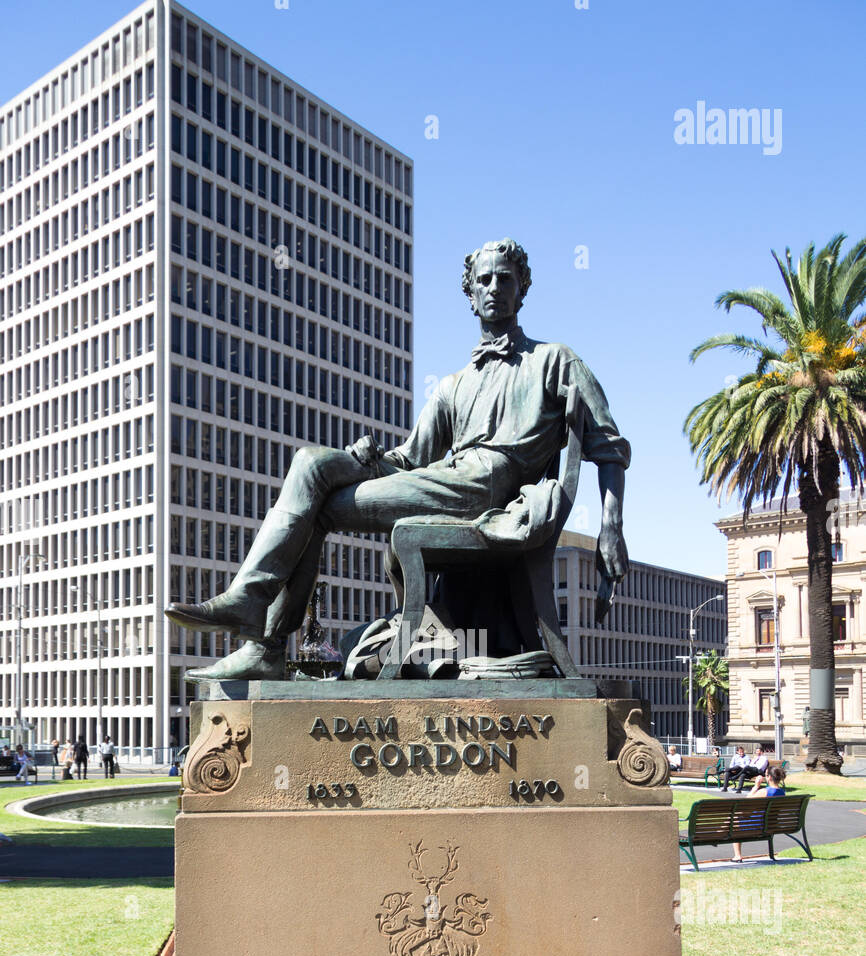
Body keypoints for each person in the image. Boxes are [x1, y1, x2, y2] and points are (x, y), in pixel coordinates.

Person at [164, 238, 631, 680]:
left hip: (492, 488)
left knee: (318, 508)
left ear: (522, 289)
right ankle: (255, 623)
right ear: (470, 295)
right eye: (484, 281)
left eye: (505, 279)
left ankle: (263, 642)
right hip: (447, 481)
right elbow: (410, 460)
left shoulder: (554, 359)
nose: (494, 289)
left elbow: (607, 445)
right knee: (311, 464)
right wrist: (370, 459)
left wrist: (611, 527)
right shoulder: (452, 385)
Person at [731, 767, 786, 862]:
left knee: (734, 819)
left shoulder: (764, 791)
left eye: (766, 775)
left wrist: (756, 786)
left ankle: (737, 855)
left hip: (758, 826)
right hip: (770, 825)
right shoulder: (782, 793)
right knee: (737, 818)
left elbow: (746, 802)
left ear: (769, 777)